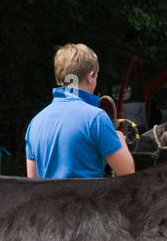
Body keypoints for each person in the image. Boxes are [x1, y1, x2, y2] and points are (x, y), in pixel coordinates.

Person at [25, 43, 135, 179]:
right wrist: (119, 139)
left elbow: (32, 180)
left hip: (46, 200)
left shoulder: (35, 122)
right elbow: (127, 173)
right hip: (86, 200)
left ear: (59, 79)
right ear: (90, 76)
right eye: (96, 76)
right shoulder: (96, 118)